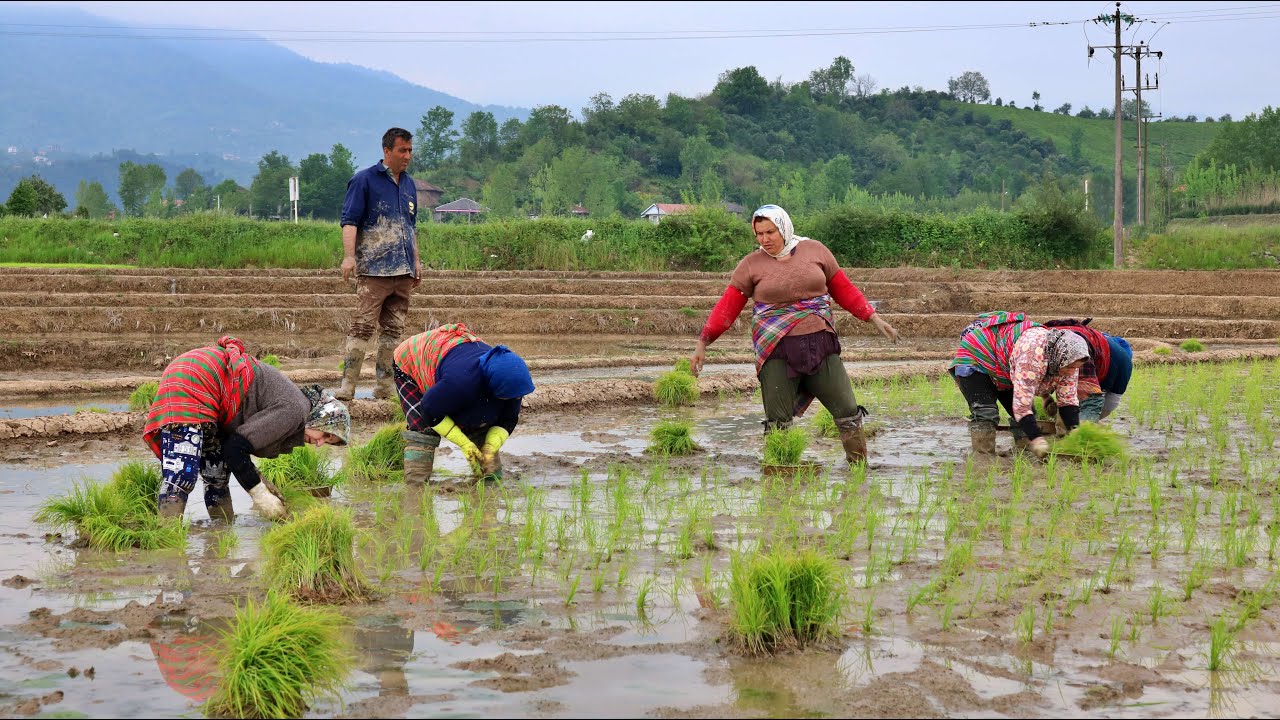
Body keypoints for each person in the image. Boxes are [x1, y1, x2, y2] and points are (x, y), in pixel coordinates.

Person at [690, 204, 900, 466]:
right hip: (777, 352)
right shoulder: (750, 265)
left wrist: (873, 317)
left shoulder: (816, 251)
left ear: (784, 227)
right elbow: (727, 308)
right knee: (778, 421)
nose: (765, 239)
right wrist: (703, 341)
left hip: (821, 347)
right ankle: (780, 476)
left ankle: (859, 471)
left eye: (770, 232)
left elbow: (843, 288)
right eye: (759, 234)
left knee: (847, 411)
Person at [143, 336, 350, 520]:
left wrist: (259, 480)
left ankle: (219, 537)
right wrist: (260, 494)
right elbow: (235, 448)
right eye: (326, 435)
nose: (319, 443)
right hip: (195, 378)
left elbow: (233, 446)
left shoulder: (295, 405)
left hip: (202, 378)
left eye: (327, 442)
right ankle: (168, 547)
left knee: (217, 475)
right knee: (181, 475)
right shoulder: (296, 409)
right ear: (321, 417)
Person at [336, 127, 422, 401]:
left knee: (393, 330)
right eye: (402, 150)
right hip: (374, 269)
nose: (407, 155)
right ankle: (347, 387)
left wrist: (416, 262)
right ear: (387, 151)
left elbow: (410, 227)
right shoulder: (364, 180)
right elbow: (350, 221)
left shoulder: (409, 184)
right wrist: (349, 257)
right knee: (362, 327)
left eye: (409, 150)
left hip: (403, 271)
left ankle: (384, 387)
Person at [393, 324, 535, 485]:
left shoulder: (512, 381)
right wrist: (464, 443)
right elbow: (429, 410)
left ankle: (489, 486)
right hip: (413, 360)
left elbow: (508, 419)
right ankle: (415, 490)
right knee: (423, 431)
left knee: (481, 427)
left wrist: (490, 445)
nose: (515, 400)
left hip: (457, 363)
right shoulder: (460, 384)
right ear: (492, 386)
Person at [949, 311, 1089, 458]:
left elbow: (1068, 402)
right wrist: (1037, 439)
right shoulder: (1033, 356)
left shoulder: (1070, 361)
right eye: (1069, 367)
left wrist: (1075, 434)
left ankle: (1023, 450)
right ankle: (983, 457)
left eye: (1075, 368)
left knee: (1029, 412)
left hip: (1005, 364)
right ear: (1060, 358)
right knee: (985, 412)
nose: (1071, 372)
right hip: (977, 356)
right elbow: (1022, 407)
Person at [1041, 318, 1133, 424]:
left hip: (1100, 356)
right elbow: (1107, 406)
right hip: (1080, 348)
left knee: (1088, 406)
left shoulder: (1117, 361)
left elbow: (1093, 401)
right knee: (1081, 407)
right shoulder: (1123, 362)